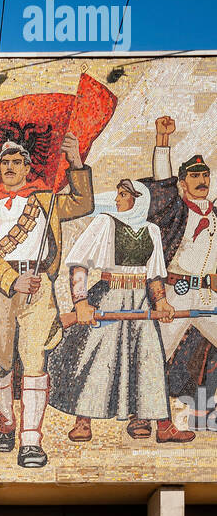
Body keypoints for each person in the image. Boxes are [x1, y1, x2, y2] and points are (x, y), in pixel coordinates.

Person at [0, 133, 94, 467]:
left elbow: (83, 203)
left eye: (16, 163)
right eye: (5, 163)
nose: (10, 168)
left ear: (27, 166)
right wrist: (12, 279)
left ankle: (30, 442)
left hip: (39, 287)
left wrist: (76, 161)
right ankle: (5, 425)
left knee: (34, 359)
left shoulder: (46, 199)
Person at [48, 178, 191, 442]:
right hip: (108, 298)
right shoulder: (104, 223)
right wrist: (80, 303)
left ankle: (157, 423)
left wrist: (161, 302)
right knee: (97, 357)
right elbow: (79, 263)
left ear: (139, 200)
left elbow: (155, 275)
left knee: (148, 358)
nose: (116, 200)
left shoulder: (152, 231)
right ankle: (83, 420)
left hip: (141, 302)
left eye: (123, 195)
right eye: (118, 194)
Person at [144, 117, 217, 423]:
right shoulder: (176, 210)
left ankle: (205, 410)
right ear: (183, 183)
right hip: (175, 294)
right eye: (195, 176)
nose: (201, 180)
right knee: (154, 353)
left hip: (207, 296)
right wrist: (162, 141)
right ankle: (145, 415)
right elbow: (161, 184)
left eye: (205, 175)